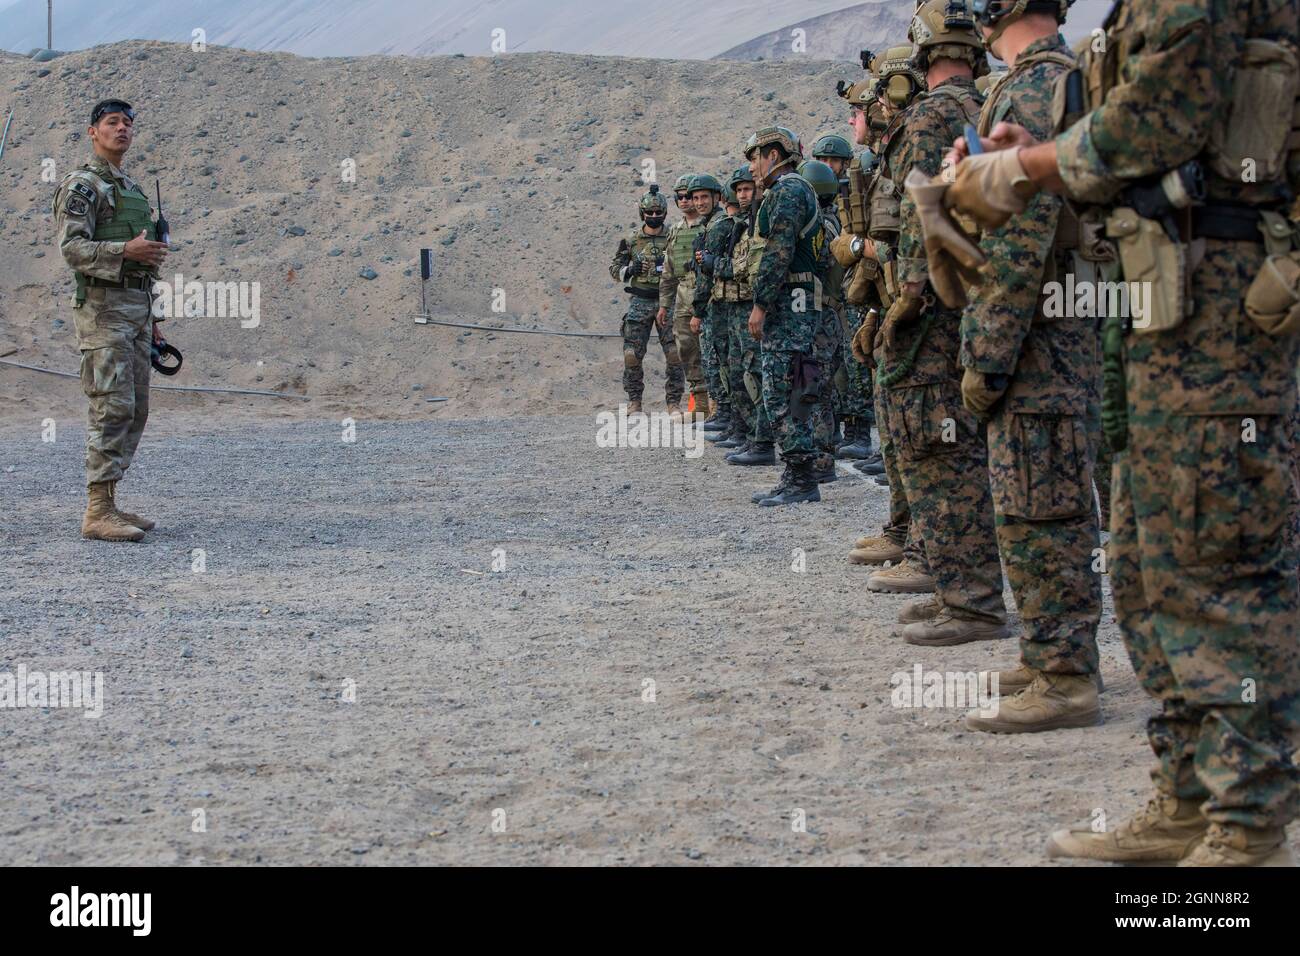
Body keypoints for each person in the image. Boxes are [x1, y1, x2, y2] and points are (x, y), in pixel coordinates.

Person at [930, 0, 1300, 866]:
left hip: (1222, 323)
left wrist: (1020, 168)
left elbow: (1150, 126)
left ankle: (1247, 828)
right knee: (1139, 562)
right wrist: (1012, 156)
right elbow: (1126, 135)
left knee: (1218, 567)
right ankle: (1186, 798)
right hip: (1153, 310)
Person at [873, 0, 1009, 643]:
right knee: (959, 447)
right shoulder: (991, 104)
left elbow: (922, 217)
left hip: (934, 309)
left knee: (933, 447)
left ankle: (970, 598)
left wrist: (906, 297)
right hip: (980, 303)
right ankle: (964, 588)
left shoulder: (931, 115)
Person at [53, 98, 170, 543]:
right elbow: (72, 250)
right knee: (111, 405)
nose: (122, 129)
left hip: (136, 309)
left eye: (127, 123)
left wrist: (153, 317)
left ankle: (111, 501)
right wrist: (125, 251)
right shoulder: (84, 186)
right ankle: (96, 511)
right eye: (111, 122)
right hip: (103, 309)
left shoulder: (131, 189)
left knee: (136, 407)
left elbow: (148, 262)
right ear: (93, 132)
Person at [745, 127, 826, 506]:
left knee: (784, 391)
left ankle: (802, 479)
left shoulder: (789, 192)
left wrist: (760, 304)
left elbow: (778, 251)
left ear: (773, 155)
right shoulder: (789, 190)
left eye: (755, 157)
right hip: (792, 301)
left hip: (790, 304)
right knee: (784, 388)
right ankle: (795, 474)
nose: (752, 166)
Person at [609, 184, 683, 415]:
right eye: (649, 213)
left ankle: (673, 403)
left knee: (674, 354)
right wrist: (631, 269)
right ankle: (635, 402)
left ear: (664, 213)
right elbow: (614, 268)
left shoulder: (673, 236)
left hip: (667, 302)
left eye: (658, 213)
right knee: (632, 355)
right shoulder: (631, 240)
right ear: (642, 214)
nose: (653, 217)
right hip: (640, 301)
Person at [658, 173, 714, 420]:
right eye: (679, 197)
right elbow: (669, 271)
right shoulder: (675, 232)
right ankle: (700, 405)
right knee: (687, 350)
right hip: (683, 295)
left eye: (688, 196)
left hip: (707, 293)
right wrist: (664, 305)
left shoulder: (710, 226)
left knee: (712, 349)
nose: (684, 201)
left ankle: (718, 406)